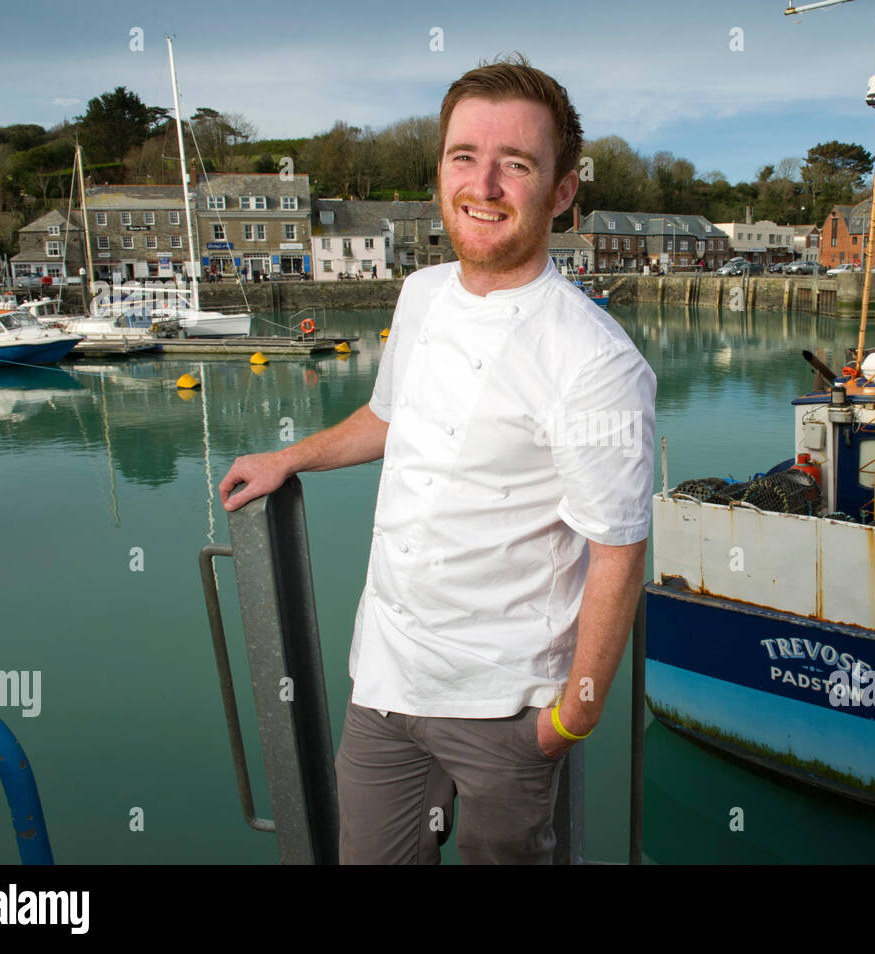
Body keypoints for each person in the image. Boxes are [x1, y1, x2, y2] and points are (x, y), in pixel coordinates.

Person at [218, 54, 655, 865]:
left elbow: (618, 555)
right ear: (440, 172)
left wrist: (574, 719)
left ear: (561, 193)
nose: (483, 185)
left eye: (515, 164)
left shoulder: (596, 361)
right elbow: (390, 417)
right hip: (383, 679)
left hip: (505, 707)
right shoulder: (421, 294)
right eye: (465, 157)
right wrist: (292, 457)